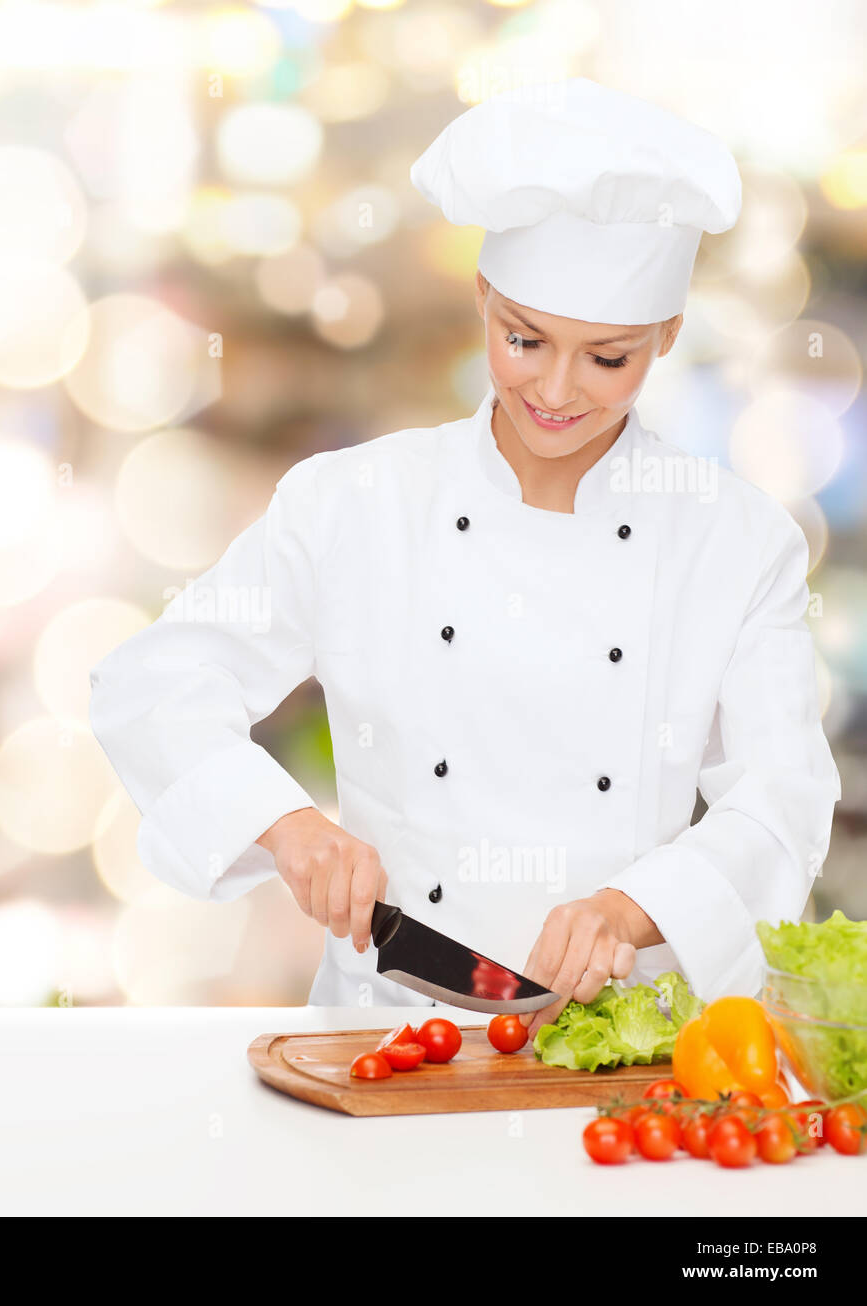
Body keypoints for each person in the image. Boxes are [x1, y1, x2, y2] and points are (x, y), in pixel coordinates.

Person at [87, 79, 841, 1023]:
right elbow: (151, 683)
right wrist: (286, 828)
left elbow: (783, 800)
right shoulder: (354, 504)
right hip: (389, 1031)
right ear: (484, 296)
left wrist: (637, 908)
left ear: (667, 336)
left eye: (608, 358)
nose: (557, 389)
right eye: (525, 339)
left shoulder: (735, 541)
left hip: (615, 1044)